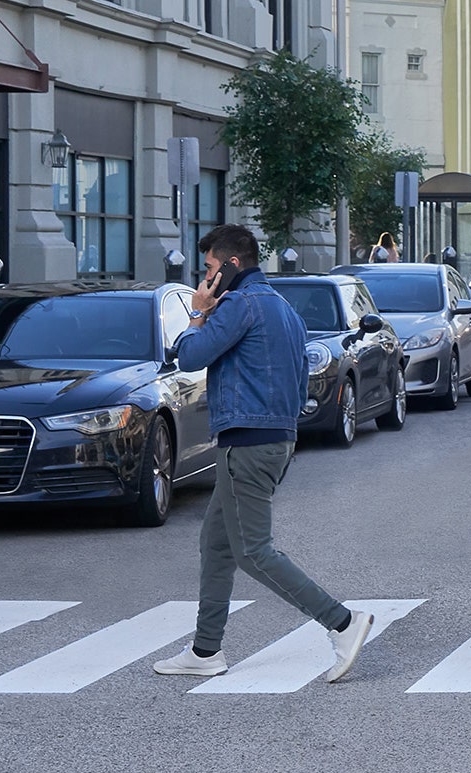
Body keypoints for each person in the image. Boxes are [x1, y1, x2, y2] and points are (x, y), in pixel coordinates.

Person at [153, 224, 374, 682]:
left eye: (210, 268)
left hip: (248, 444)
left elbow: (190, 356)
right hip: (274, 439)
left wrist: (198, 314)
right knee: (216, 544)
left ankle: (343, 624)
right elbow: (297, 382)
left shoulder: (239, 305)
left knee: (253, 551)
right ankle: (205, 650)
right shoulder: (282, 308)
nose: (206, 277)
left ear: (231, 266)